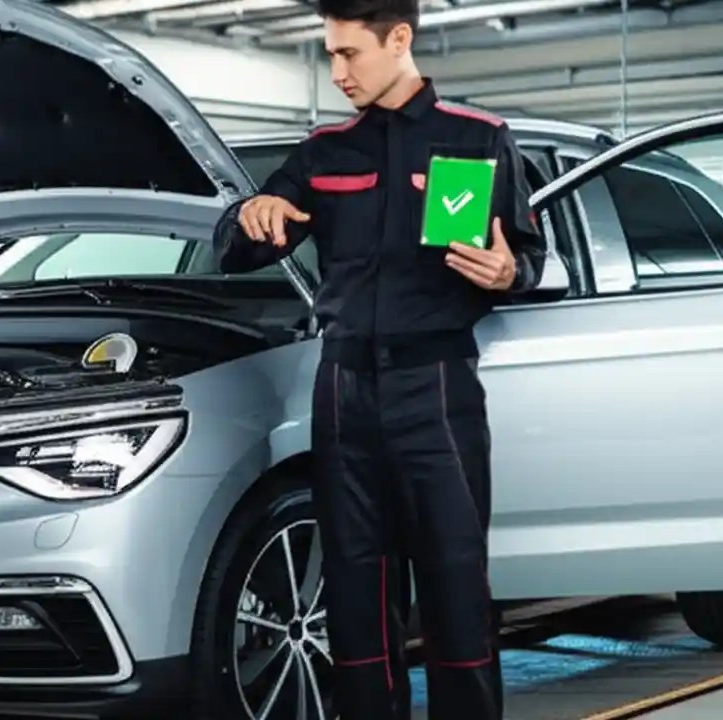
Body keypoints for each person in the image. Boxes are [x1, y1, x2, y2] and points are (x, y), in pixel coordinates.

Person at [213, 1, 548, 719]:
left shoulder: (479, 139)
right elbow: (240, 245)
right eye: (328, 55)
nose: (336, 72)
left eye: (348, 55)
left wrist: (506, 273)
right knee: (356, 587)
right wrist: (250, 215)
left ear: (399, 39)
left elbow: (526, 258)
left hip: (436, 385)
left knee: (455, 583)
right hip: (342, 389)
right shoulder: (325, 151)